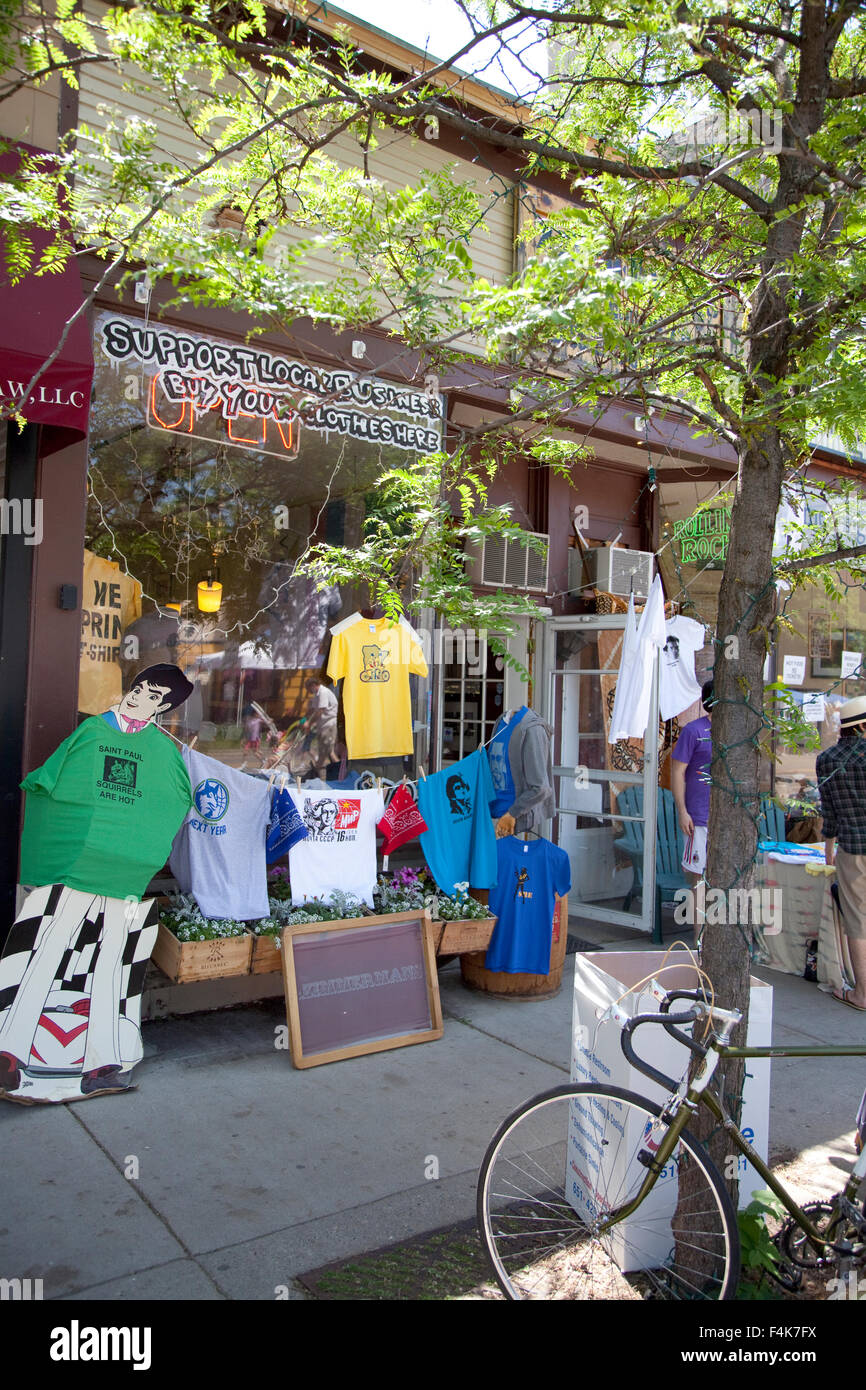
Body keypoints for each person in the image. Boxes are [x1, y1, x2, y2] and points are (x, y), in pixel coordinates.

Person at [816, 695, 866, 1010]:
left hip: (853, 848)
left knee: (858, 920)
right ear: (861, 725)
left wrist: (828, 849)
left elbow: (830, 812)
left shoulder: (826, 759)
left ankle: (862, 993)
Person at [670, 680, 715, 883]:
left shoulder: (734, 736)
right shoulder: (693, 731)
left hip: (724, 818)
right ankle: (696, 916)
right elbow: (677, 772)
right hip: (698, 817)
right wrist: (683, 812)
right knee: (698, 879)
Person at [304, 676, 338, 779]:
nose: (309, 691)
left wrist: (309, 724)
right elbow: (312, 710)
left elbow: (320, 710)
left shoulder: (323, 692)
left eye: (309, 688)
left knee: (328, 751)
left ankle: (339, 770)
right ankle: (318, 771)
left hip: (329, 725)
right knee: (324, 751)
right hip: (322, 726)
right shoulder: (317, 695)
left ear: (313, 685)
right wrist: (304, 720)